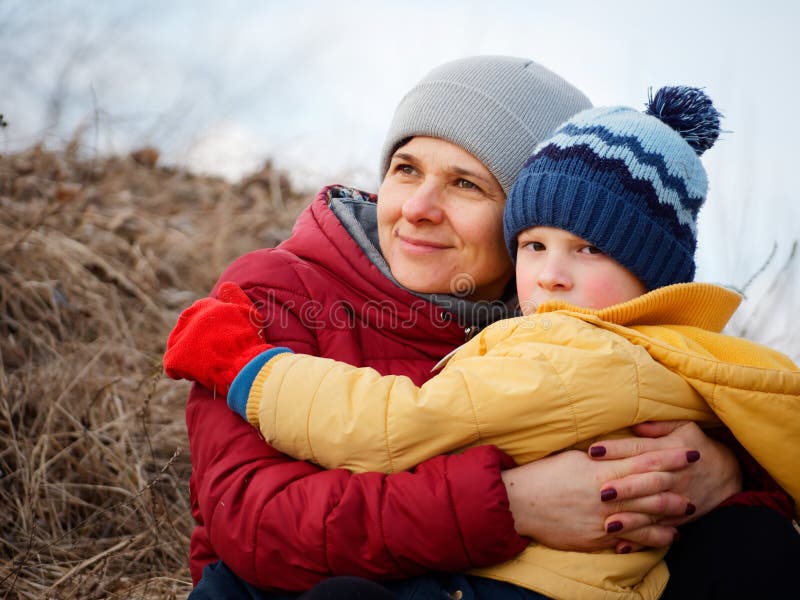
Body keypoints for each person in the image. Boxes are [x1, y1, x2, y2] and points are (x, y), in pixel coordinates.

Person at [167, 56, 782, 599]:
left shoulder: (571, 325)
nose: (417, 208)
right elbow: (255, 523)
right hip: (312, 588)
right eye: (406, 169)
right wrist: (513, 505)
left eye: (466, 184)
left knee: (751, 542)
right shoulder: (279, 289)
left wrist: (719, 472)